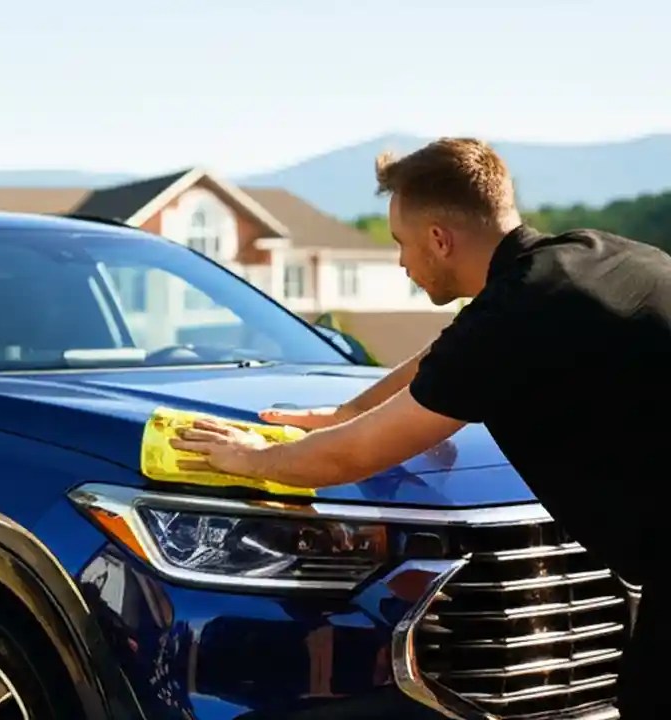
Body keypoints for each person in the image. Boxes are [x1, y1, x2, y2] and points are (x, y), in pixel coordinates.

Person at [171, 137, 665, 717]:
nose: (403, 264)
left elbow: (346, 460)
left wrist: (251, 458)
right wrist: (347, 414)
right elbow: (447, 354)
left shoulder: (512, 320)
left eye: (402, 244)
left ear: (439, 239)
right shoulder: (589, 257)